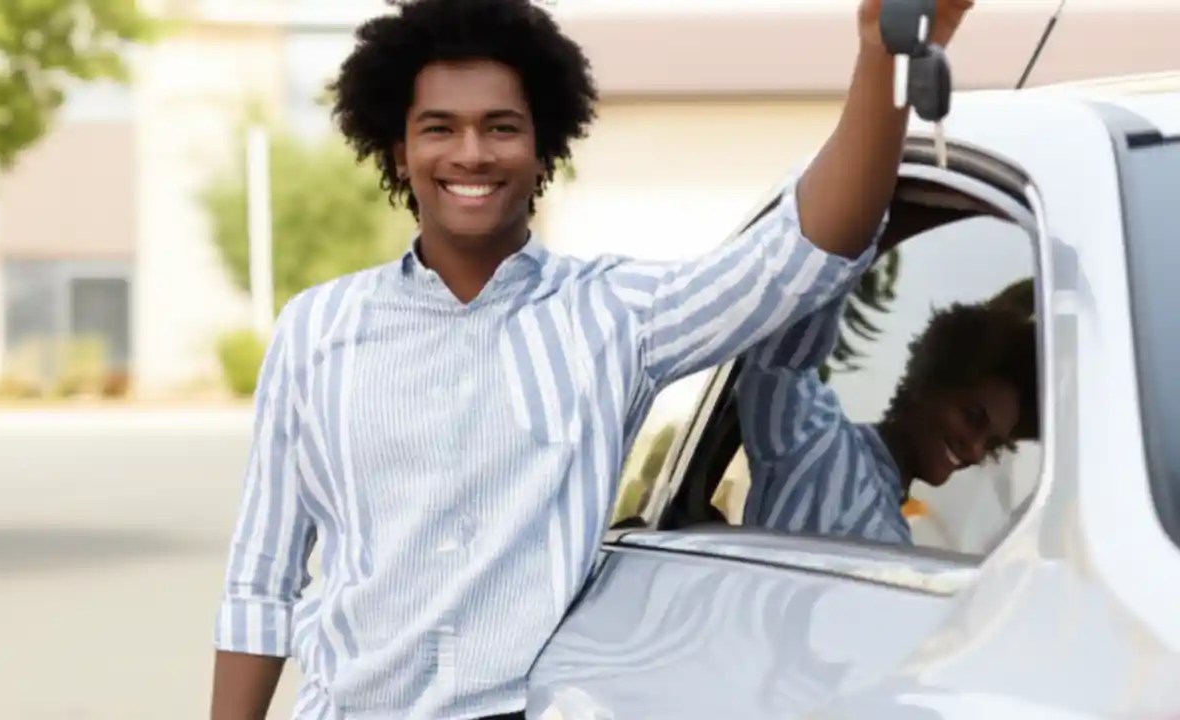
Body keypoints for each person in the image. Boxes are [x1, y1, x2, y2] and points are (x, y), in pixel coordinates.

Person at [210, 0, 976, 718]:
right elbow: (261, 582)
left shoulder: (614, 316)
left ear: (543, 147)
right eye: (439, 128)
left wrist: (883, 57)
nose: (471, 153)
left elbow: (799, 257)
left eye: (501, 127)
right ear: (397, 149)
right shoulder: (318, 329)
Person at [736, 270, 1037, 545]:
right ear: (930, 382)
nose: (974, 450)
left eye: (990, 443)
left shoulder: (900, 538)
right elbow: (782, 350)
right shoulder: (816, 441)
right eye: (972, 418)